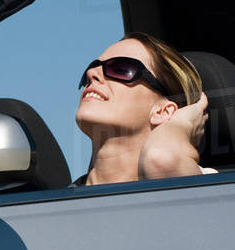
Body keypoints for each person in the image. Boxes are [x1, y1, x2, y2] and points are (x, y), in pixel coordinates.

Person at [72, 32, 211, 186]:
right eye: (92, 67)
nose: (91, 74)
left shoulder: (214, 186)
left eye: (120, 69)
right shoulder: (50, 203)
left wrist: (180, 124)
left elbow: (162, 160)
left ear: (162, 111)